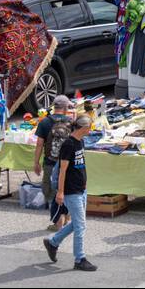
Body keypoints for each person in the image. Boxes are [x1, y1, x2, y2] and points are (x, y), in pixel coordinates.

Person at [43, 114, 97, 270]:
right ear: (84, 127)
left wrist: (85, 182)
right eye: (90, 127)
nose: (90, 130)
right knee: (81, 226)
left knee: (77, 224)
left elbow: (81, 164)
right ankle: (79, 259)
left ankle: (53, 242)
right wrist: (60, 192)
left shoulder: (80, 142)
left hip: (81, 189)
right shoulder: (68, 144)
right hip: (71, 191)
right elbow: (62, 170)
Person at [33, 95, 73, 226]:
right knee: (66, 192)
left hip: (50, 163)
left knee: (51, 193)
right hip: (67, 164)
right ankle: (67, 220)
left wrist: (36, 162)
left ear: (54, 107)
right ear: (66, 107)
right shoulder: (70, 122)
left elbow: (39, 144)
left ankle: (58, 224)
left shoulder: (45, 122)